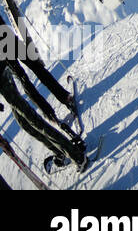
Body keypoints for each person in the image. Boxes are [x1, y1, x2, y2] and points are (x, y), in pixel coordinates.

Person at [0, 16, 86, 173]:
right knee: (34, 67)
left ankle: (52, 114)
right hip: (5, 37)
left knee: (26, 80)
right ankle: (64, 98)